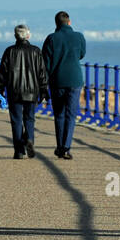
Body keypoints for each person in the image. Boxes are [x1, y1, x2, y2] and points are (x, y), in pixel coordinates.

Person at [0, 24, 49, 159]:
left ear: (15, 36)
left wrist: (0, 90)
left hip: (14, 92)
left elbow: (3, 73)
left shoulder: (9, 51)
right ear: (28, 36)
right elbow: (42, 73)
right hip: (32, 91)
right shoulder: (36, 51)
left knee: (16, 120)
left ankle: (19, 151)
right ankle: (30, 139)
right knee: (29, 119)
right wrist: (44, 90)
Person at [42, 10, 86, 159]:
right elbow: (81, 54)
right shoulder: (79, 37)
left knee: (59, 114)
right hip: (75, 80)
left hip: (57, 81)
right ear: (69, 22)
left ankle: (60, 147)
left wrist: (43, 83)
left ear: (56, 23)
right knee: (71, 115)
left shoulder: (51, 38)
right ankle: (66, 147)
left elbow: (45, 64)